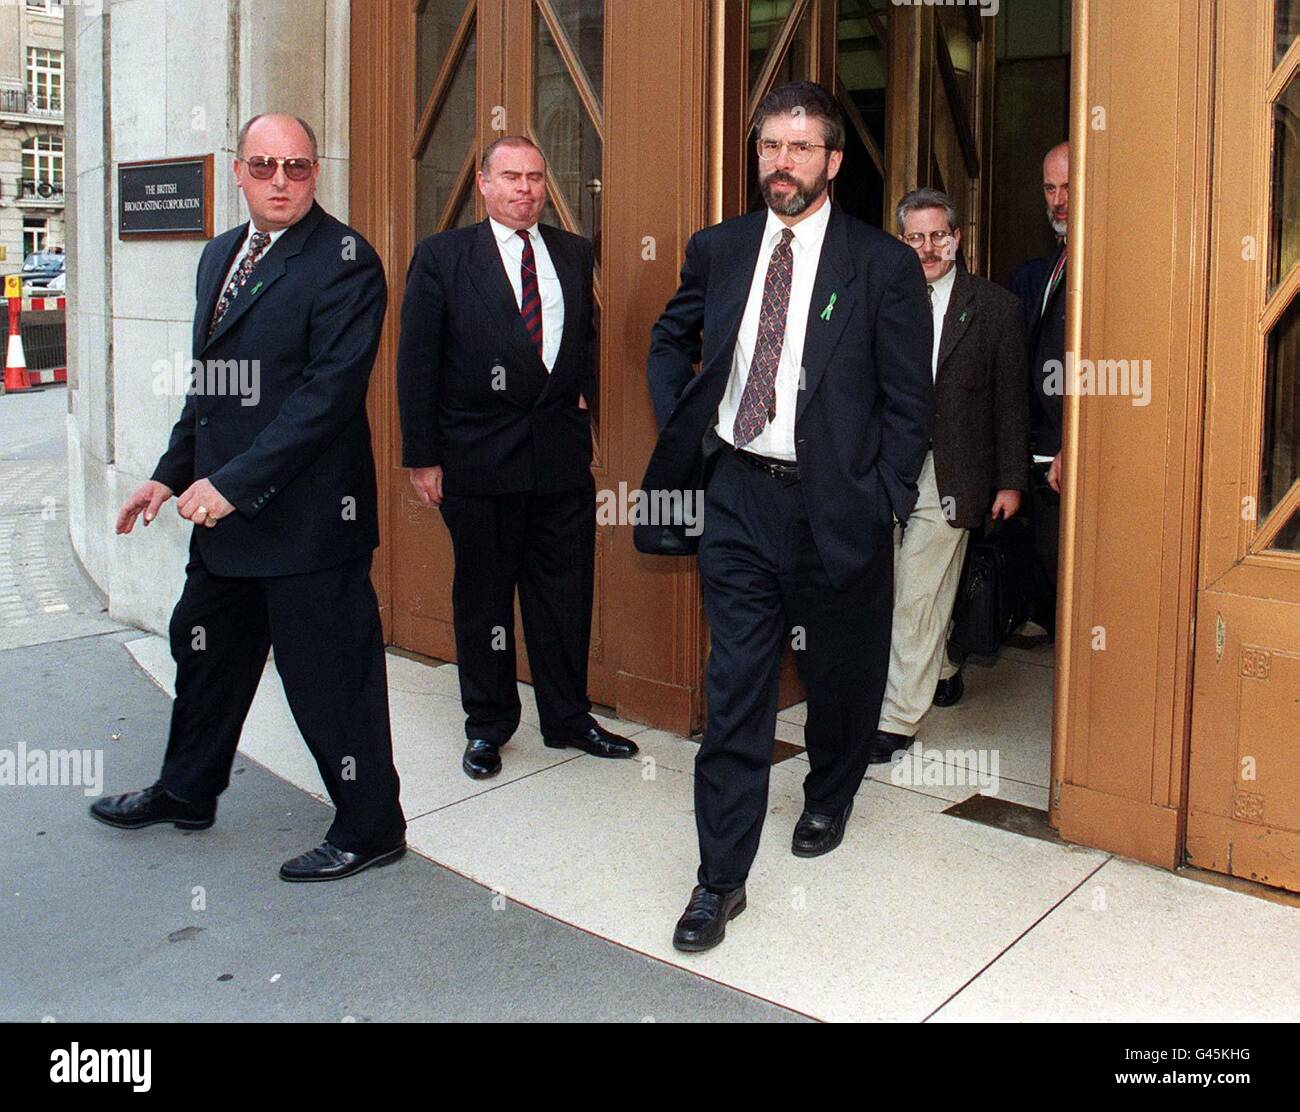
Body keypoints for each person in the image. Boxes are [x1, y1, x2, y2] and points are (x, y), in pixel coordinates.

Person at [638, 82, 933, 952]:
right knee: (735, 689)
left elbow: (909, 405)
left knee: (840, 675)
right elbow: (669, 337)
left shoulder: (881, 266)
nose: (782, 163)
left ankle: (831, 791)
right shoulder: (720, 249)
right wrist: (688, 424)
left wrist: (884, 496)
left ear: (833, 162)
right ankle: (717, 880)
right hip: (736, 498)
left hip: (838, 504)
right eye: (770, 146)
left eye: (801, 148)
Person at [92, 114, 407, 882]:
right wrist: (169, 473)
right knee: (204, 655)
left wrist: (231, 485)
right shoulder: (218, 255)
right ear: (237, 171)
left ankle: (371, 827)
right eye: (264, 165)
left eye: (297, 167)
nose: (280, 180)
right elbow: (213, 390)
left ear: (314, 174)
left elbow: (326, 399)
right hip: (223, 521)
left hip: (307, 524)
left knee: (330, 682)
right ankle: (187, 790)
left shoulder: (344, 260)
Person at [395, 135, 636, 780]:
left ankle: (568, 717)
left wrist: (583, 397)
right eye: (510, 177)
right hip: (476, 462)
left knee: (564, 592)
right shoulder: (444, 257)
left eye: (534, 177)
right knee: (484, 597)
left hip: (558, 461)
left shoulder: (572, 251)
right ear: (483, 182)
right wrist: (422, 457)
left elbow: (581, 338)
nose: (524, 189)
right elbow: (416, 361)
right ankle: (488, 725)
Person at [870, 188, 1029, 763]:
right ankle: (940, 665)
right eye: (915, 237)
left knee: (917, 589)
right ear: (901, 241)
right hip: (888, 465)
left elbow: (1013, 403)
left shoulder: (994, 308)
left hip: (955, 470)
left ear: (957, 238)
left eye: (939, 235)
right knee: (896, 584)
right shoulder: (880, 298)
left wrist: (1011, 481)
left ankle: (895, 719)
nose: (928, 248)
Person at [1009, 141, 1069, 640]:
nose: (1059, 199)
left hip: (1075, 455)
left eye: (1069, 186)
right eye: (1050, 188)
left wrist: (1077, 445)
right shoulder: (1051, 266)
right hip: (1042, 455)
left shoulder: (1107, 264)